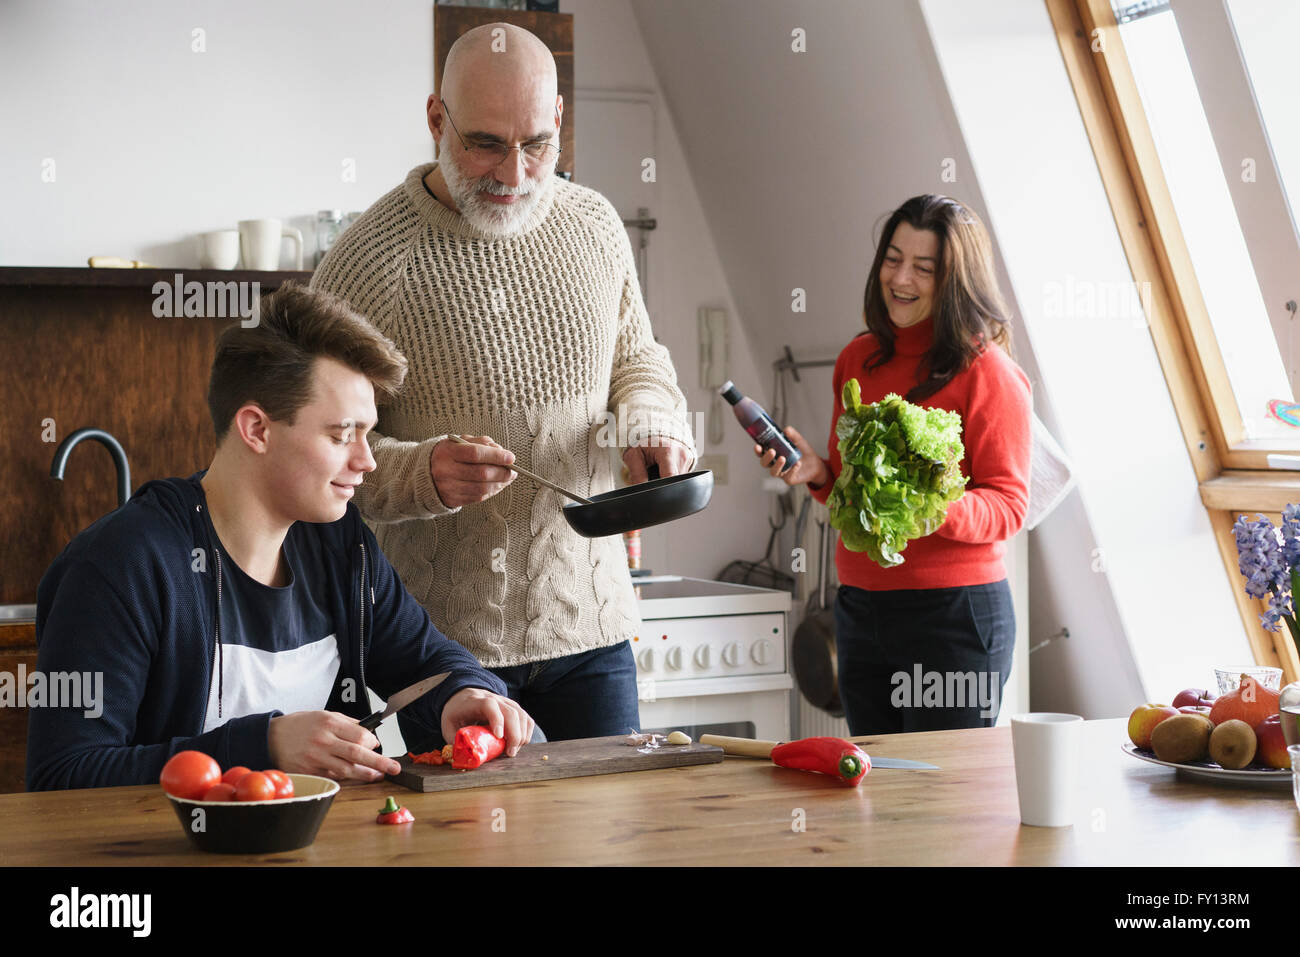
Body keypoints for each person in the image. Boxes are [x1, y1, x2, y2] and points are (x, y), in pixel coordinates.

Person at [310, 22, 695, 743]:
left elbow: (638, 359)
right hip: (440, 650)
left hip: (592, 631)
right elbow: (319, 453)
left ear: (558, 120)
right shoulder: (365, 264)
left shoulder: (597, 227)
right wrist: (420, 472)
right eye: (484, 143)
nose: (513, 174)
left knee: (601, 850)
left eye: (536, 145)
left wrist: (650, 419)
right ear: (435, 120)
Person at [26, 283, 534, 791]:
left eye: (367, 433)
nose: (368, 461)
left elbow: (428, 661)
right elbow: (61, 778)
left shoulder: (339, 543)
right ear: (257, 430)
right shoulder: (122, 564)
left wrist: (464, 695)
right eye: (341, 436)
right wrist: (264, 746)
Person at [756, 195, 1031, 734]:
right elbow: (858, 498)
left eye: (924, 268)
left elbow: (1009, 504)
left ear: (955, 280)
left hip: (953, 617)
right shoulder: (858, 360)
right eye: (892, 258)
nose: (901, 278)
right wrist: (818, 474)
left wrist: (934, 508)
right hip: (860, 610)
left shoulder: (988, 373)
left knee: (940, 801)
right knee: (879, 796)